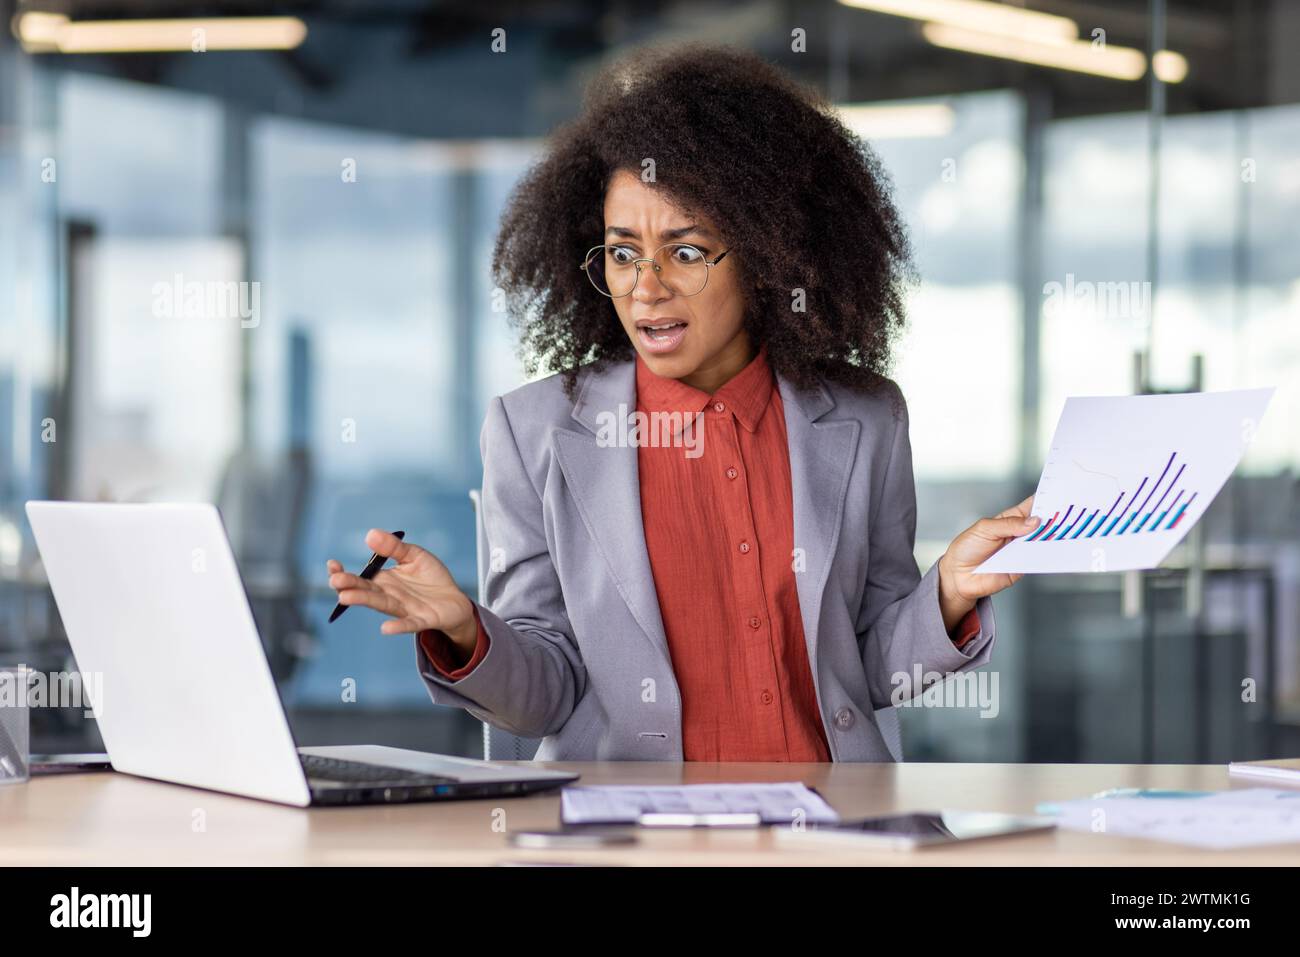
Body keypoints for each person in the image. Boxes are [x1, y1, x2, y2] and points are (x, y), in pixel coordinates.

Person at [325, 43, 1038, 762]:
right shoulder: (532, 430)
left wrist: (946, 589)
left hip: (832, 824)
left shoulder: (866, 416)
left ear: (766, 257)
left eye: (687, 251)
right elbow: (547, 694)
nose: (646, 285)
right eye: (623, 251)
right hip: (631, 827)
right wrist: (466, 631)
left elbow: (865, 668)